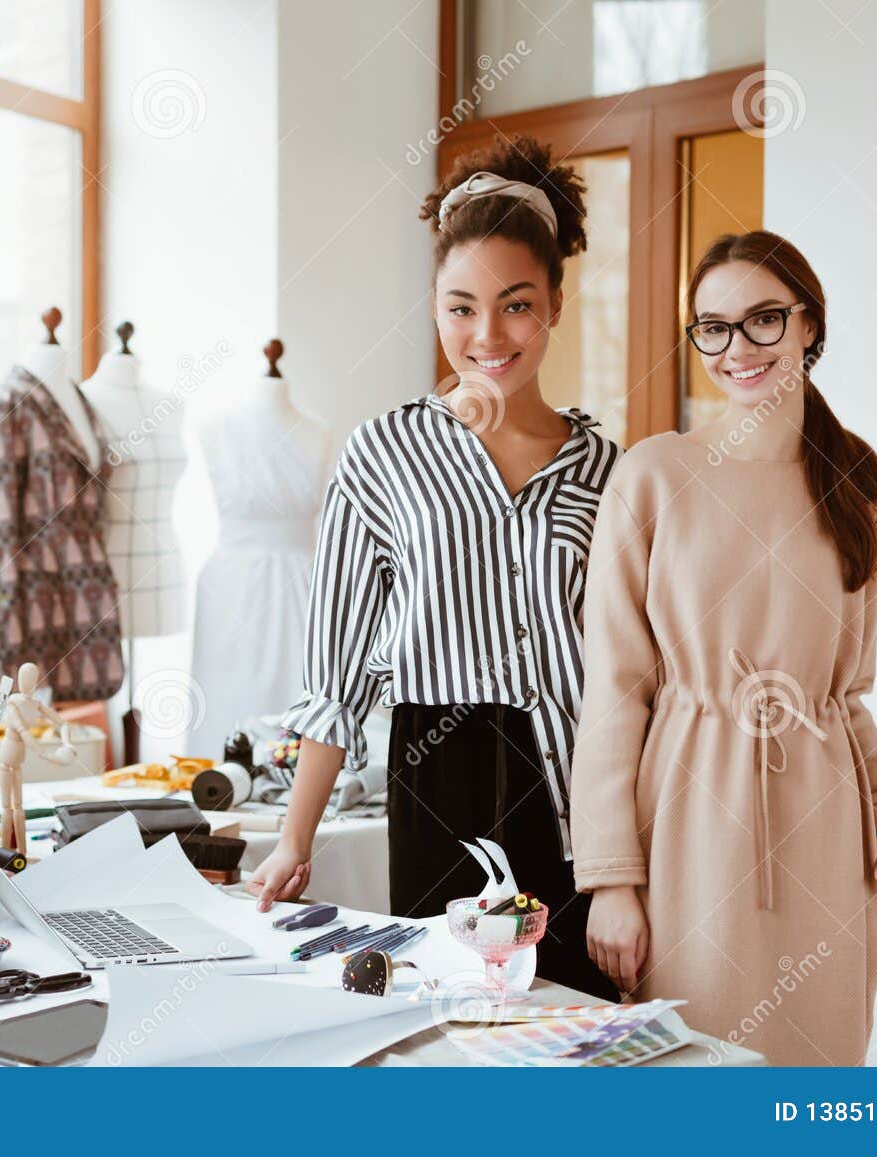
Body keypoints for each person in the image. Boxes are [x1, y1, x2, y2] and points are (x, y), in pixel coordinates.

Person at [250, 136, 620, 1000]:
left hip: (579, 782)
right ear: (433, 307)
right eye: (461, 307)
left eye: (516, 305)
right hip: (439, 771)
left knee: (577, 1030)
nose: (487, 335)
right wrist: (294, 836)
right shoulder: (384, 453)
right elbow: (337, 671)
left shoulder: (608, 470)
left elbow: (637, 674)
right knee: (453, 1024)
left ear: (556, 305)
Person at [573, 230, 877, 1064]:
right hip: (688, 825)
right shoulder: (653, 475)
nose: (737, 349)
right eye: (713, 327)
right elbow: (615, 691)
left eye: (763, 319)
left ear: (808, 325)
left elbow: (848, 690)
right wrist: (613, 879)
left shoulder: (856, 483)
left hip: (828, 830)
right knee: (693, 1079)